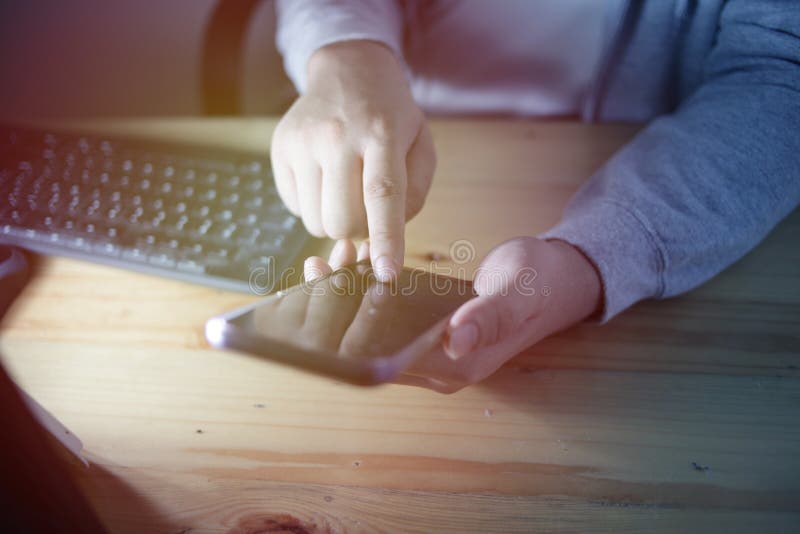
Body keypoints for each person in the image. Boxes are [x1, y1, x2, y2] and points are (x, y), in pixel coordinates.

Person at [269, 0, 800, 390]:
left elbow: (781, 74)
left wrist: (587, 262)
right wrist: (346, 54)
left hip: (669, 200)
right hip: (426, 153)